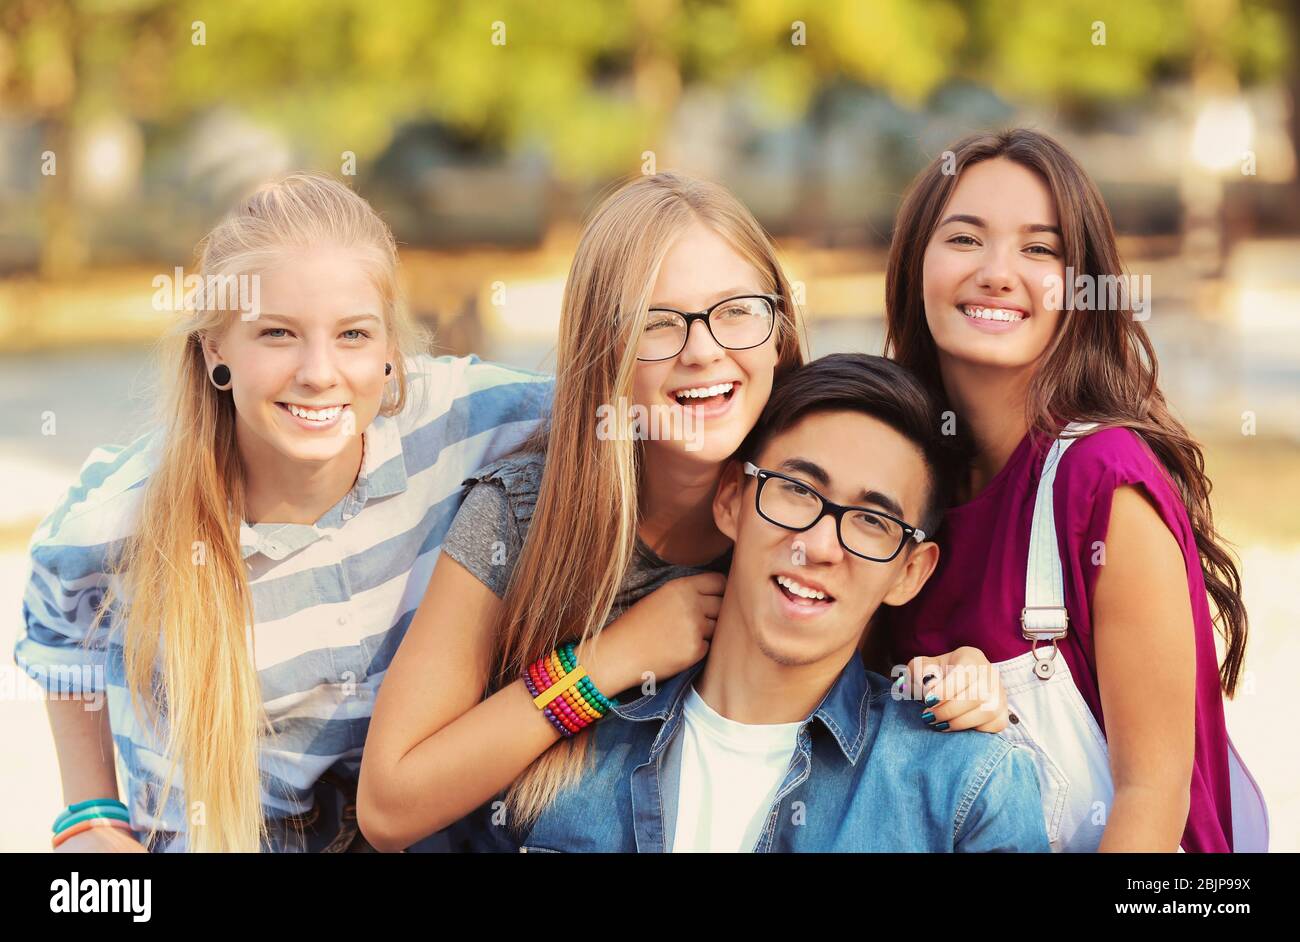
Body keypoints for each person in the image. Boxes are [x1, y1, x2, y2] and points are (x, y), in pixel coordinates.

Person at [358, 173, 1010, 852]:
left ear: (780, 332)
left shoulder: (810, 505)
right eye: (658, 323)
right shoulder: (525, 516)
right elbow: (389, 804)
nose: (703, 351)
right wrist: (607, 662)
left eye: (736, 312)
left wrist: (961, 671)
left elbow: (887, 656)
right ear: (604, 351)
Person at [14, 172, 551, 852]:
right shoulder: (126, 516)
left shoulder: (463, 422)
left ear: (390, 347)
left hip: (425, 827)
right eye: (278, 334)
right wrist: (87, 813)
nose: (319, 372)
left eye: (354, 335)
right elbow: (58, 624)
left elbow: (623, 430)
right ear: (216, 350)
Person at [462, 353, 1050, 852]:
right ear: (732, 501)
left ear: (910, 573)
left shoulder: (967, 786)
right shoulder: (558, 754)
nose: (818, 547)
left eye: (872, 521)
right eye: (797, 491)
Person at [882, 128, 1265, 852]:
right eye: (965, 239)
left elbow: (1152, 798)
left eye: (1039, 249)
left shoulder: (1102, 479)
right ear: (914, 265)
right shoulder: (896, 482)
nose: (998, 273)